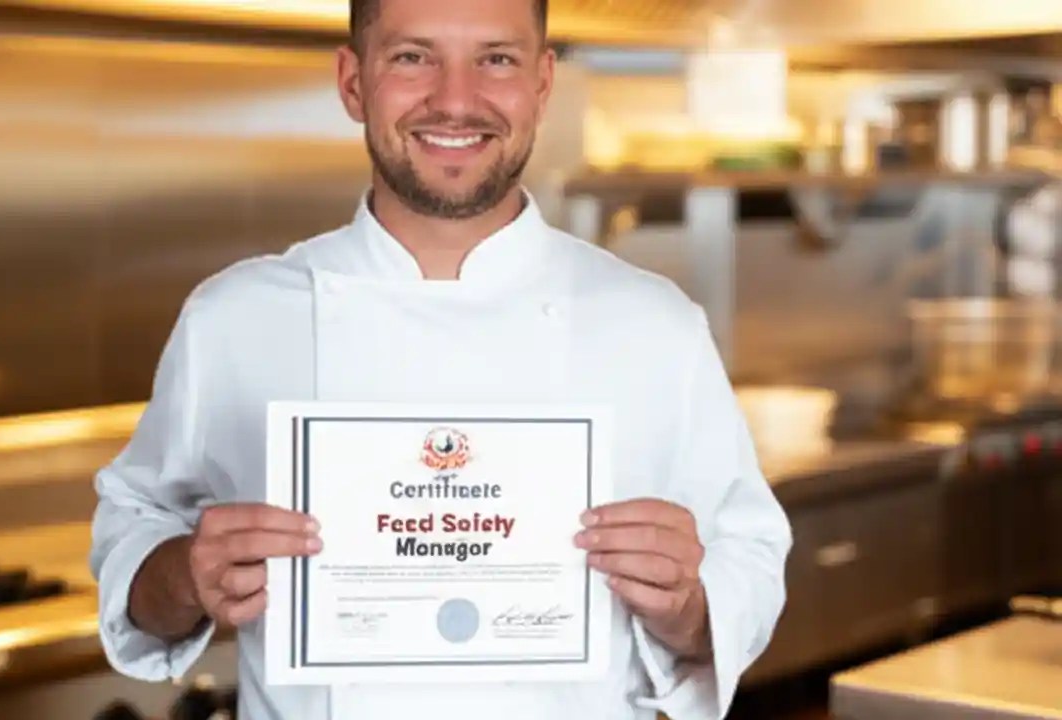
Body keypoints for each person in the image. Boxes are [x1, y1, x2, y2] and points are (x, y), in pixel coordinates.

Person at [88, 0, 793, 717]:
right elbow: (134, 524)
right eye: (412, 57)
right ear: (353, 81)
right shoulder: (234, 319)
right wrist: (181, 577)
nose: (456, 101)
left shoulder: (655, 326)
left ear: (542, 85)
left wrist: (690, 607)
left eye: (496, 59)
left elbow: (752, 557)